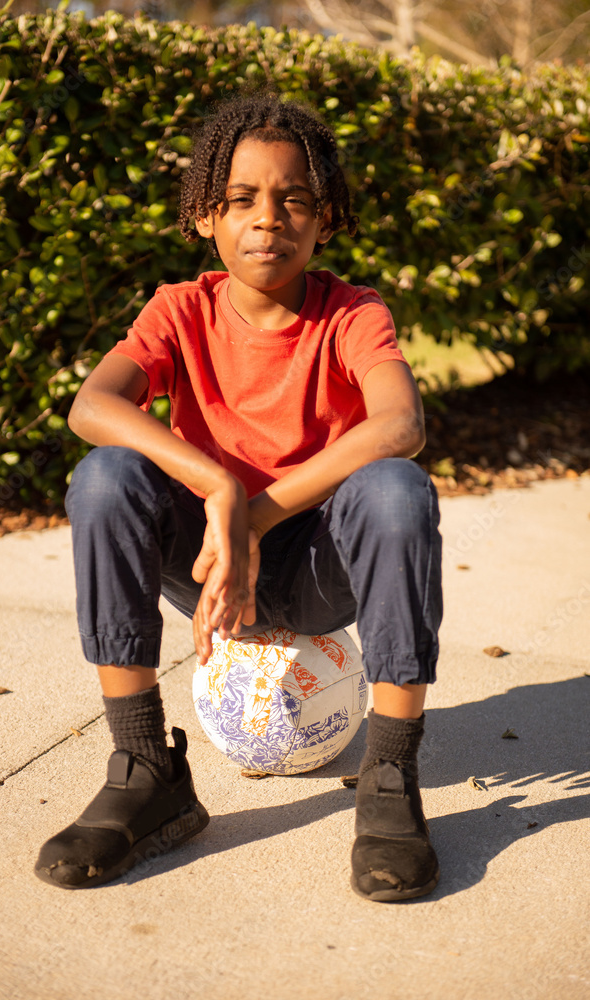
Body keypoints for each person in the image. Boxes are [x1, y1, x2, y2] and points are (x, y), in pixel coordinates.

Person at [34, 92, 443, 901]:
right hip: (210, 565)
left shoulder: (352, 312)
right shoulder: (179, 310)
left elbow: (401, 423)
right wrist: (217, 484)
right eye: (242, 199)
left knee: (397, 492)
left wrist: (259, 511)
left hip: (319, 567)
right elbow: (91, 407)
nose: (269, 218)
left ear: (324, 219)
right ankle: (146, 769)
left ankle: (390, 779)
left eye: (294, 199)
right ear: (203, 217)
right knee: (105, 478)